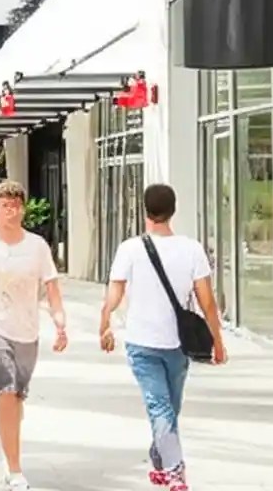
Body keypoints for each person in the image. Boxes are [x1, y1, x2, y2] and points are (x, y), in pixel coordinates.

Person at [98, 184, 227, 491]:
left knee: (169, 409)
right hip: (158, 345)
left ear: (145, 211)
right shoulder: (191, 249)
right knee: (162, 408)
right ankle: (174, 471)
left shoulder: (130, 248)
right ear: (174, 210)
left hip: (163, 343)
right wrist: (218, 341)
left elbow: (115, 290)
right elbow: (207, 301)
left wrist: (105, 322)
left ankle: (160, 456)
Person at [0, 180, 67, 491]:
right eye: (5, 204)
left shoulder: (37, 247)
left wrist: (60, 323)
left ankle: (8, 453)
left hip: (26, 331)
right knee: (6, 388)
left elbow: (52, 288)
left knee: (16, 396)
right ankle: (16, 470)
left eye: (16, 204)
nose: (11, 209)